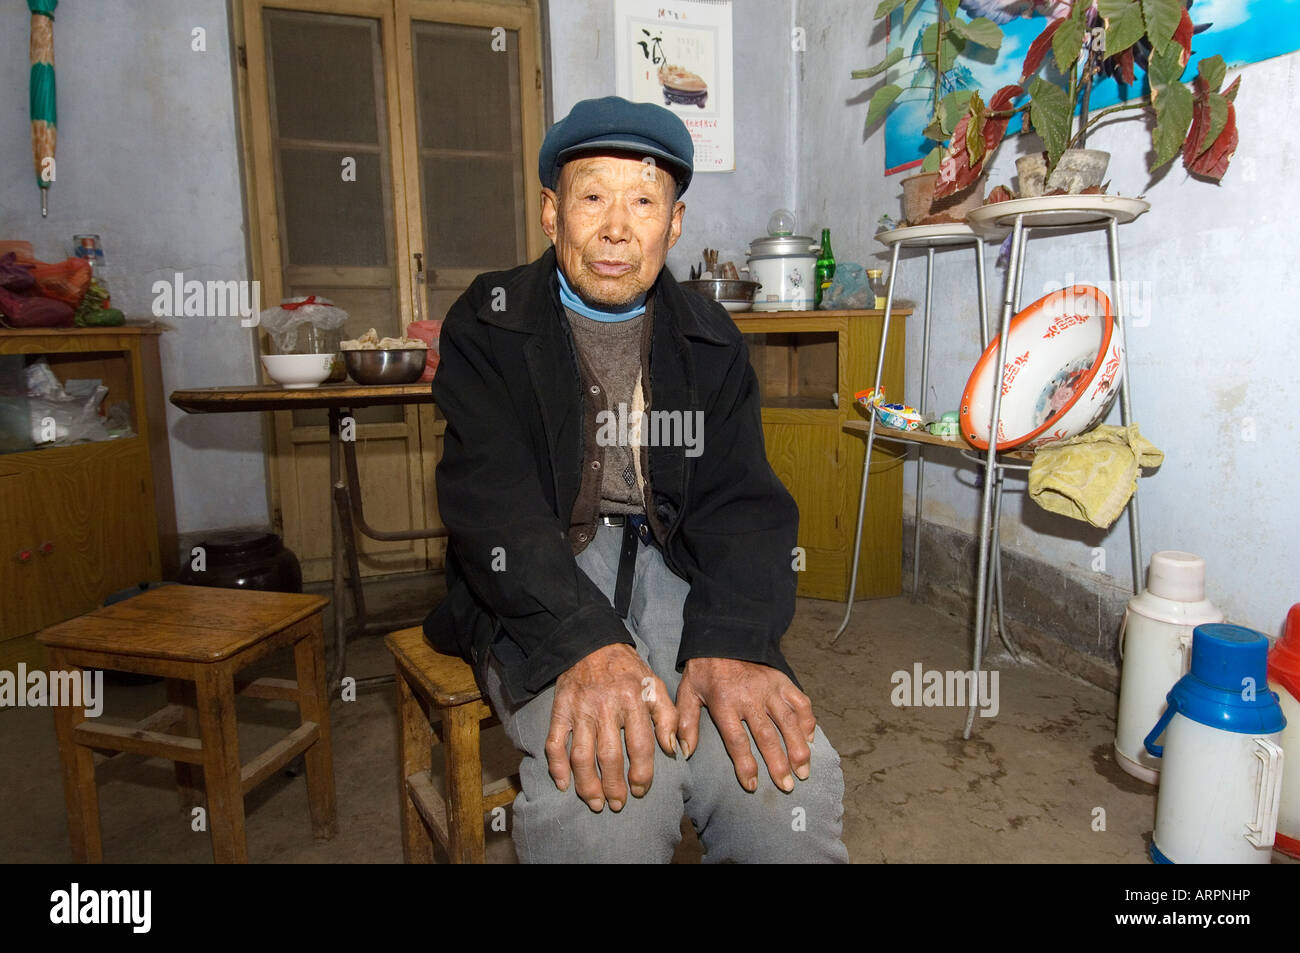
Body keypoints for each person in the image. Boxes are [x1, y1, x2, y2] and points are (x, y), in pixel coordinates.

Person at [424, 95, 848, 863]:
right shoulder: (489, 320)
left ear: (674, 224)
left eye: (644, 200)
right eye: (592, 197)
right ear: (553, 214)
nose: (617, 227)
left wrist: (731, 639)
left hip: (679, 565)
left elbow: (742, 504)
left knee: (787, 785)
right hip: (542, 570)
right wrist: (587, 644)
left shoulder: (710, 336)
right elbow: (493, 506)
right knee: (609, 803)